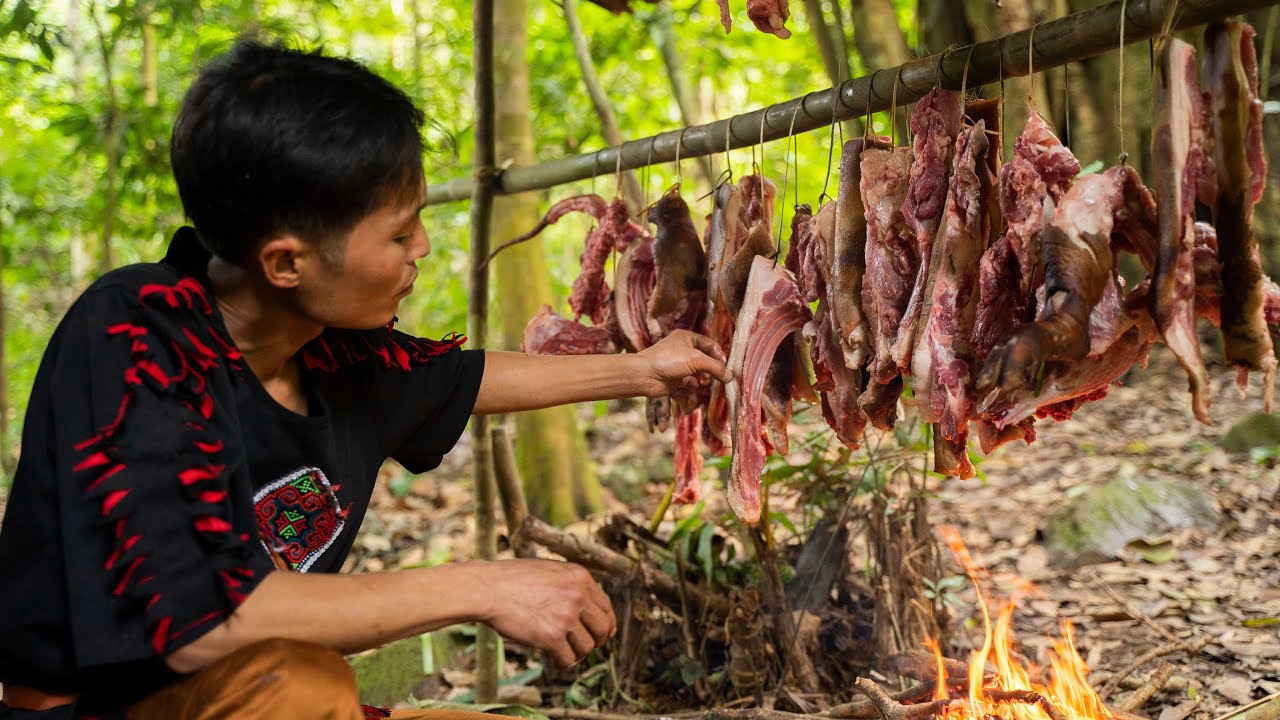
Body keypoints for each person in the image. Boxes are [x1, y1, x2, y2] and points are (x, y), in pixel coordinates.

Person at [0, 40, 731, 720]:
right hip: (103, 706)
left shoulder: (328, 348)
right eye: (400, 232)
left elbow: (458, 378)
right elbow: (205, 621)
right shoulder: (136, 335)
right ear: (286, 262)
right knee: (306, 689)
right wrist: (485, 585)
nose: (423, 246)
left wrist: (643, 370)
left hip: (253, 688)